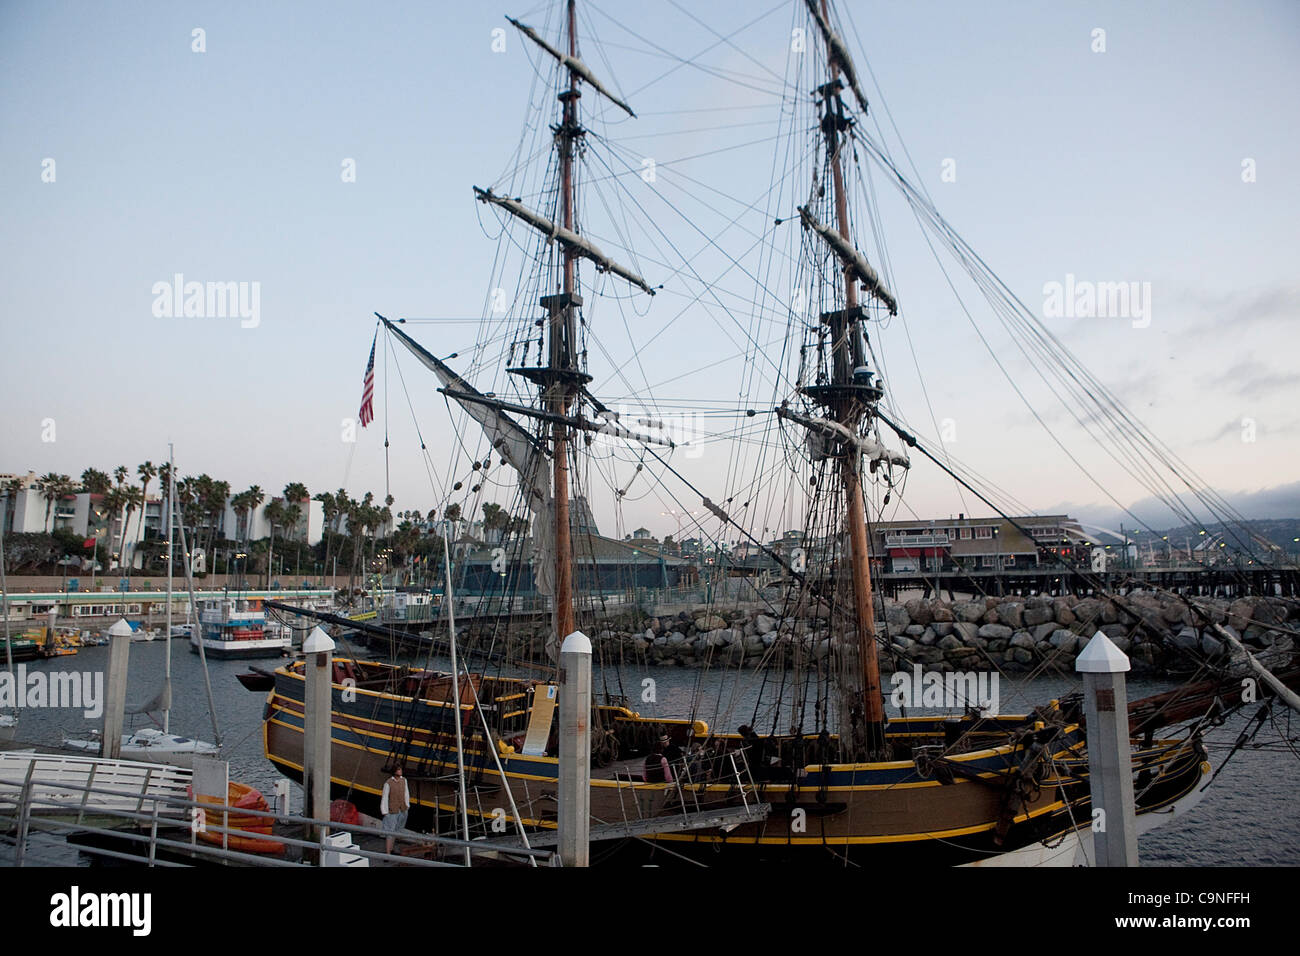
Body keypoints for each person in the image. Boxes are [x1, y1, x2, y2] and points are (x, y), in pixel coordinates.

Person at [381, 763, 409, 855]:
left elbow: (406, 793)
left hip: (402, 809)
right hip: (392, 811)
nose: (401, 771)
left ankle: (392, 849)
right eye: (399, 770)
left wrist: (407, 805)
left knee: (397, 831)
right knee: (390, 832)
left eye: (401, 769)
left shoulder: (404, 780)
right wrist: (385, 812)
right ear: (394, 772)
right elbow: (385, 797)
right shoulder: (388, 783)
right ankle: (388, 853)